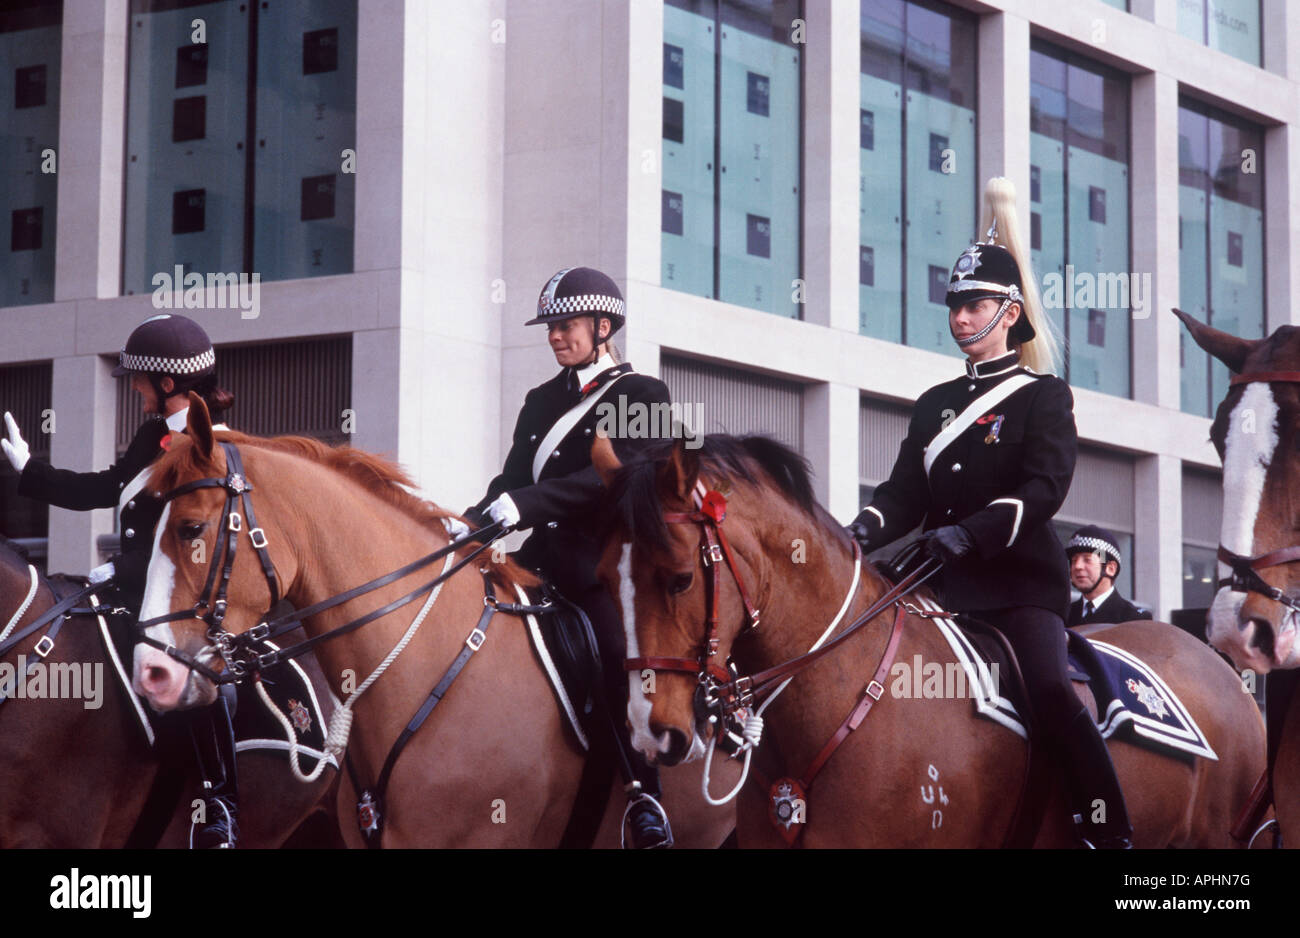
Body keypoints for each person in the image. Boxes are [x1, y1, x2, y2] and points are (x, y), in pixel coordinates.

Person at [845, 178, 1132, 849]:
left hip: (1015, 588)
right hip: (937, 586)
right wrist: (860, 528)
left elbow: (1044, 490)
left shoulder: (1044, 396)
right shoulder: (934, 402)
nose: (961, 319)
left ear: (1010, 313)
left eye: (975, 306)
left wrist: (968, 534)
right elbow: (903, 496)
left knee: (1050, 694)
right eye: (954, 307)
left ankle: (1105, 827)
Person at [2, 313, 242, 848]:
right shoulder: (155, 434)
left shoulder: (212, 446)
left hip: (184, 597)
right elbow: (110, 486)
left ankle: (219, 804)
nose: (133, 387)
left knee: (210, 686)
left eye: (138, 378)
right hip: (132, 587)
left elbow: (199, 545)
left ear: (168, 383)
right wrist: (29, 472)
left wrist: (127, 568)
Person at [461, 266, 675, 848]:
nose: (555, 335)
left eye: (566, 324)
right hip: (540, 557)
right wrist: (466, 523)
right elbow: (510, 479)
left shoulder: (644, 394)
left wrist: (520, 504)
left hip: (603, 563)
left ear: (604, 326)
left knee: (614, 653)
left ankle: (644, 794)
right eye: (550, 326)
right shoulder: (541, 399)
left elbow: (612, 477)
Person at [1065, 525, 1151, 626]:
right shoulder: (1063, 614)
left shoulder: (1134, 619)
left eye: (1087, 560)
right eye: (1074, 561)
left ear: (1110, 568)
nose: (1077, 566)